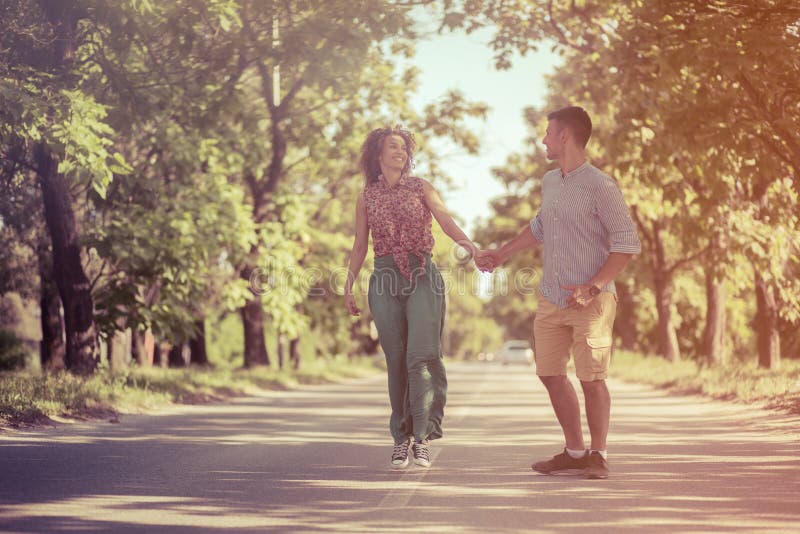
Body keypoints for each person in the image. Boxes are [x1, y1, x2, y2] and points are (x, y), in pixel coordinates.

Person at [476, 106, 641, 479]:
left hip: (593, 301)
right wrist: (501, 254)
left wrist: (592, 286)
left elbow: (627, 244)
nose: (543, 140)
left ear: (565, 135)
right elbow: (539, 227)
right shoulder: (550, 181)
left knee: (591, 378)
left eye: (548, 133)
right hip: (552, 296)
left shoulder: (601, 186)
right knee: (550, 374)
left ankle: (598, 454)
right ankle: (574, 451)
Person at [344, 126, 479, 469]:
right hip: (384, 277)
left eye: (404, 148)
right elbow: (360, 245)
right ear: (378, 154)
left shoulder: (422, 188)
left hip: (421, 274)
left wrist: (473, 249)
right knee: (396, 359)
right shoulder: (366, 197)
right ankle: (400, 438)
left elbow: (446, 221)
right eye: (393, 146)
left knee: (421, 355)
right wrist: (348, 285)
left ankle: (421, 437)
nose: (400, 152)